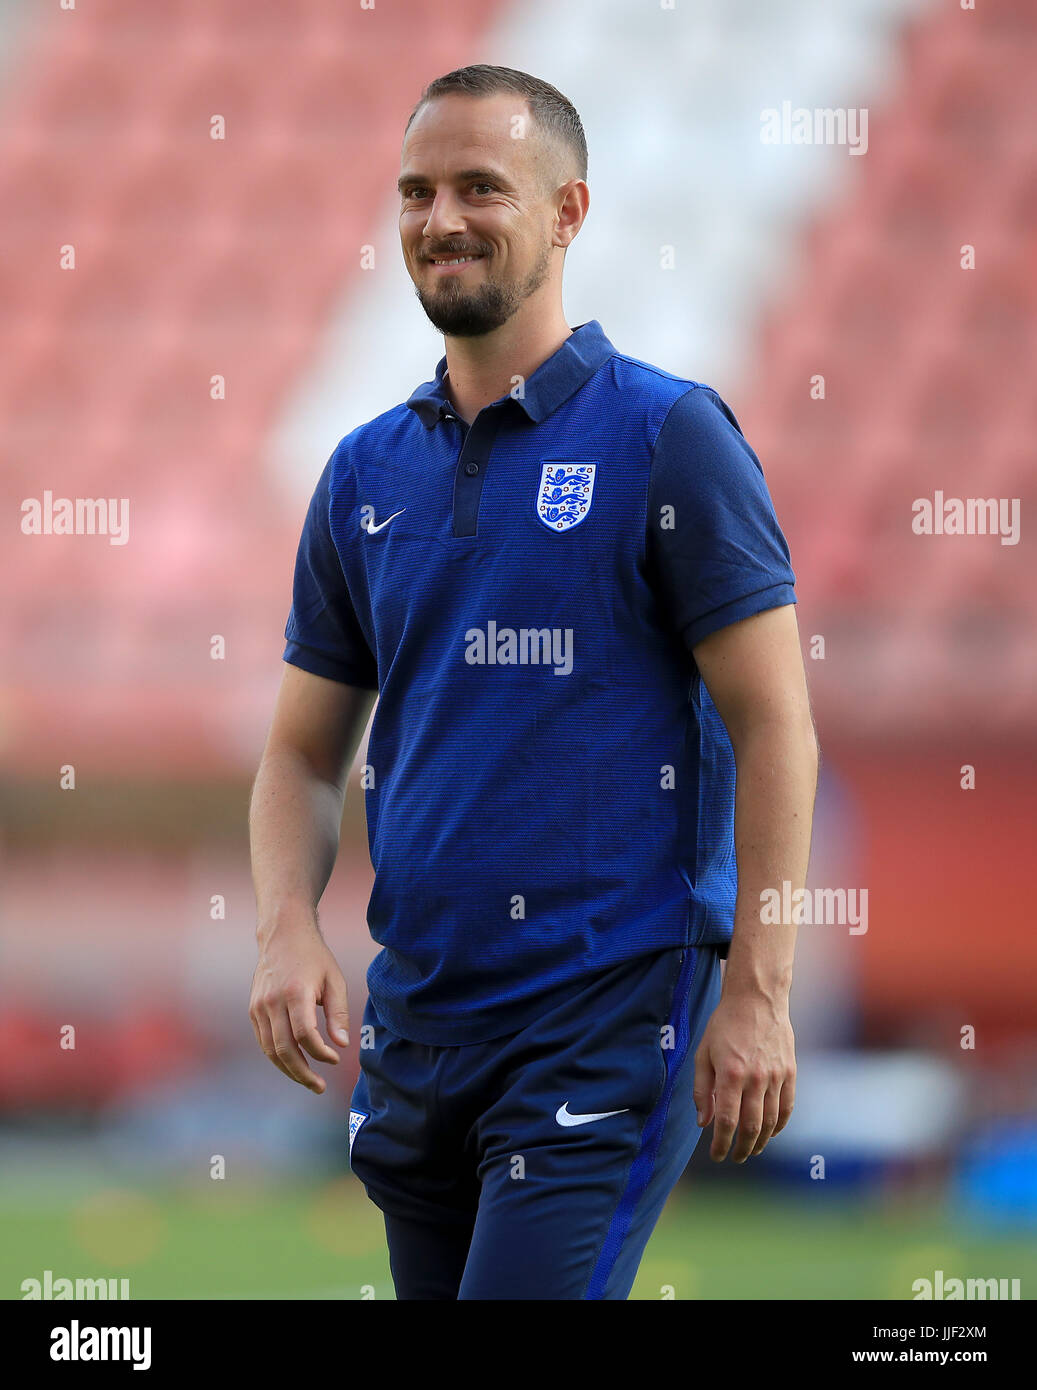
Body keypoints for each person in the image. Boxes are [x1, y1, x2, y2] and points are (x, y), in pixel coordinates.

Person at [249, 64, 819, 1300]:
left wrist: (759, 994)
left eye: (477, 187)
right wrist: (287, 929)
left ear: (566, 214)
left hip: (605, 1010)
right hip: (420, 1020)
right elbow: (300, 753)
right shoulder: (361, 473)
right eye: (414, 190)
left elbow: (775, 725)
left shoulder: (668, 438)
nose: (438, 217)